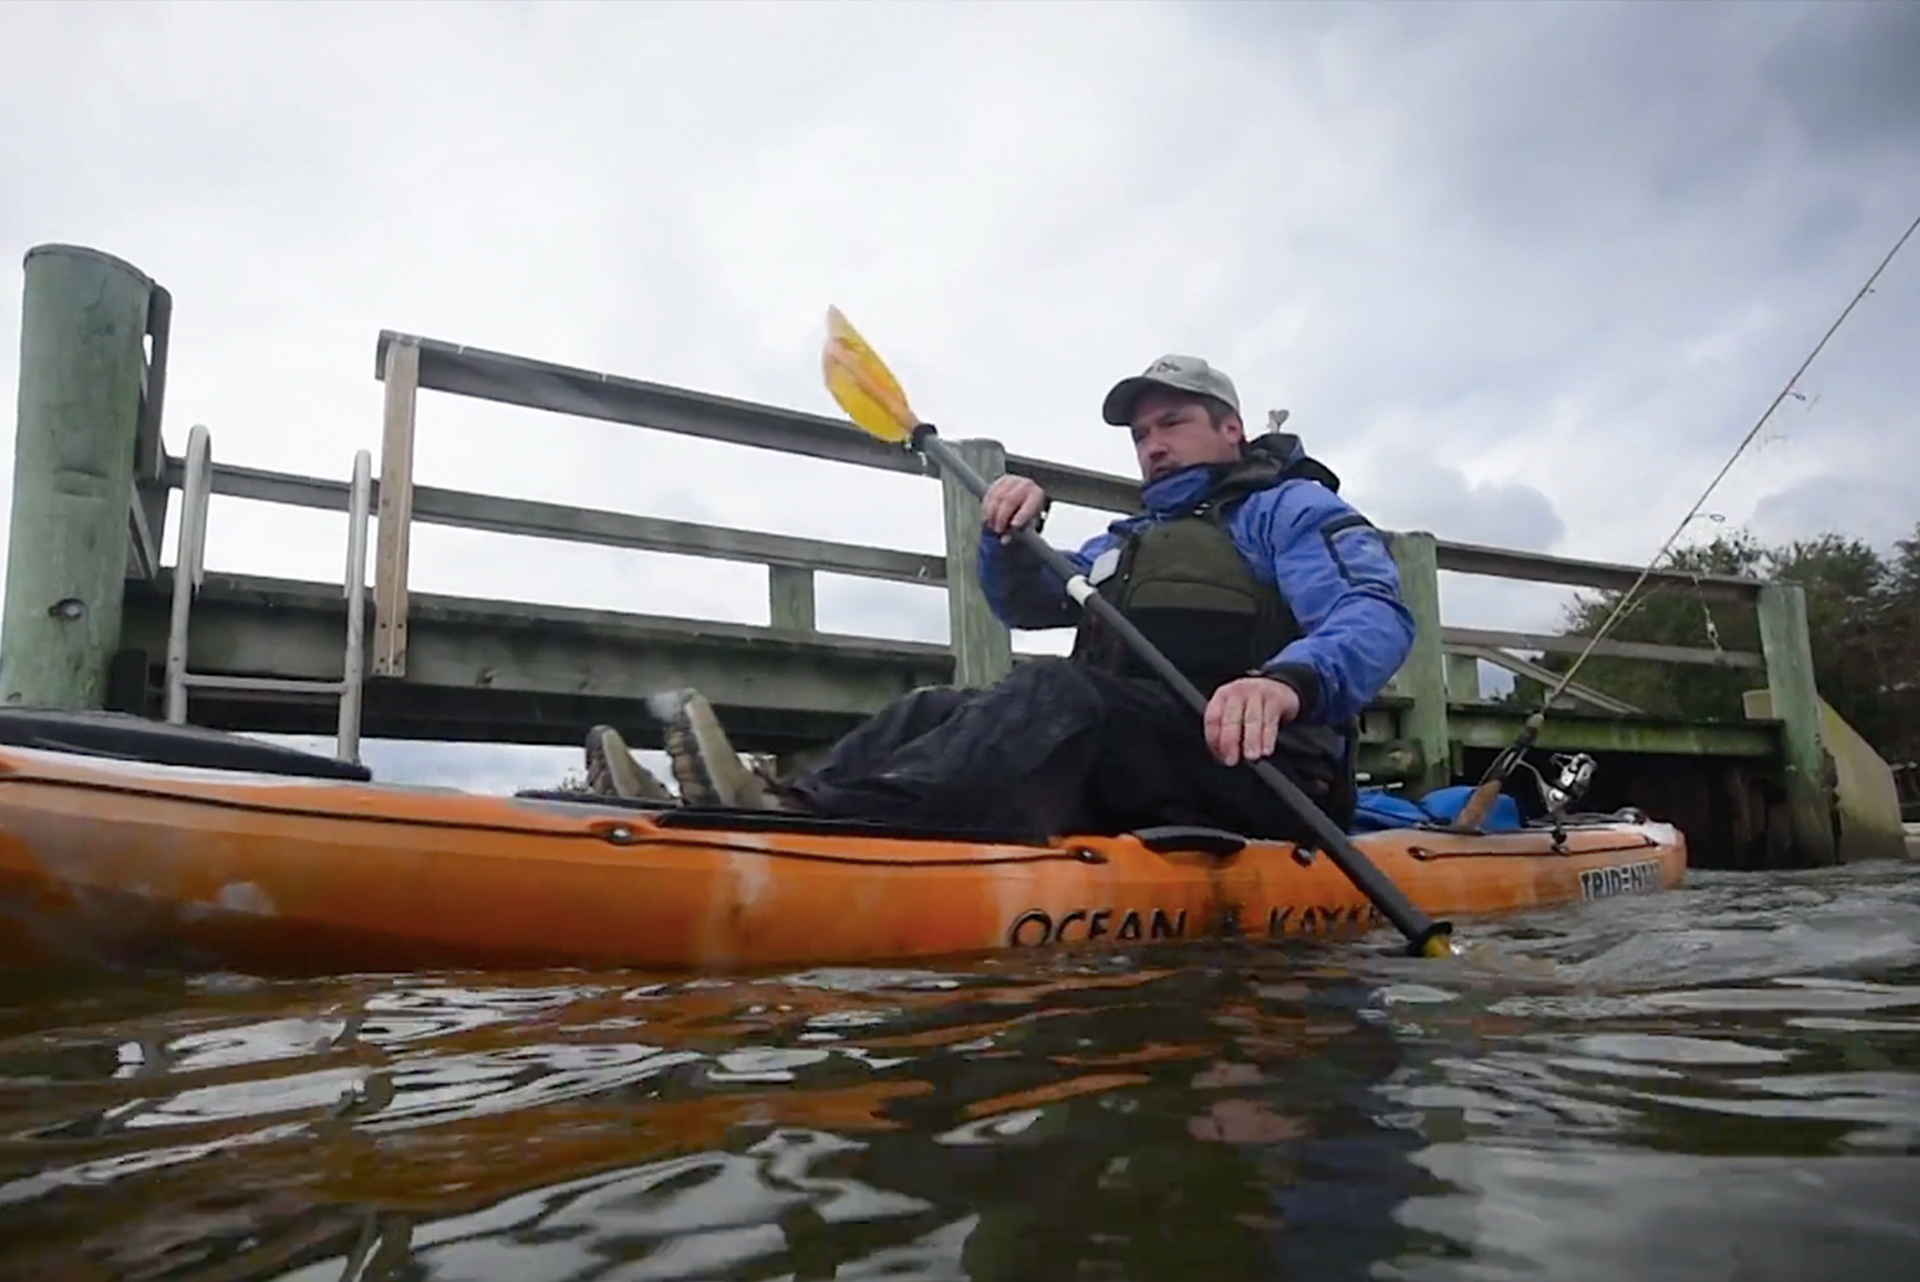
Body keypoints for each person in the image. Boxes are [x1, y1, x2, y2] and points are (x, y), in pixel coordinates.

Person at [582, 353, 1416, 842]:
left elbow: (1374, 615)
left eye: (1174, 424)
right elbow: (1029, 604)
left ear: (1230, 429)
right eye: (1141, 435)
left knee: (1055, 692)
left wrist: (1285, 682)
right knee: (936, 707)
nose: (1153, 446)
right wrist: (1008, 534)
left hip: (1268, 772)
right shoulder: (1129, 538)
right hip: (1152, 759)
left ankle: (813, 826)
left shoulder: (1290, 510)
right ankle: (775, 807)